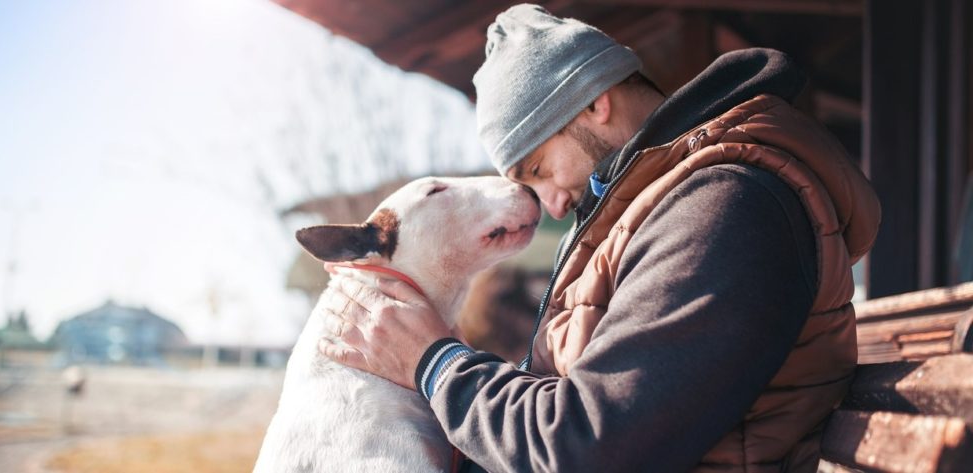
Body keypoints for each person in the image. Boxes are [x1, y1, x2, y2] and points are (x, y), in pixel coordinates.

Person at [317, 4, 881, 472]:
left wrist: (433, 361)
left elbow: (589, 446)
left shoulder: (728, 207)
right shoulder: (666, 208)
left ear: (593, 101)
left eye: (537, 169)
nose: (552, 203)